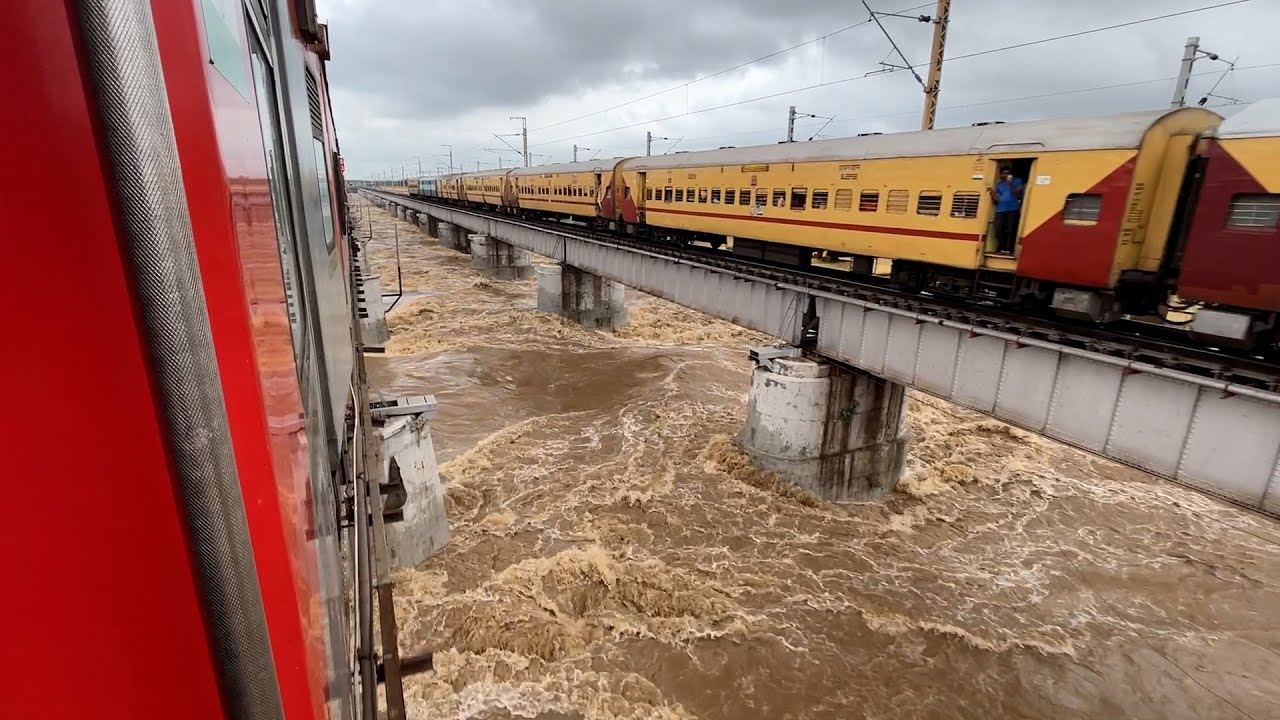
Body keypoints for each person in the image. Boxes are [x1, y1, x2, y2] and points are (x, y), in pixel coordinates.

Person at [990, 167, 1024, 255]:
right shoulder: (999, 184)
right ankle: (1001, 247)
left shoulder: (1017, 181)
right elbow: (996, 200)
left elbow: (1018, 195)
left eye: (1008, 173)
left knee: (1010, 229)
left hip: (1013, 208)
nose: (1006, 175)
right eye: (1004, 173)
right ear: (1001, 174)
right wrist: (992, 193)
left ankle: (1008, 248)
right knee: (998, 229)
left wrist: (1010, 184)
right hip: (1000, 209)